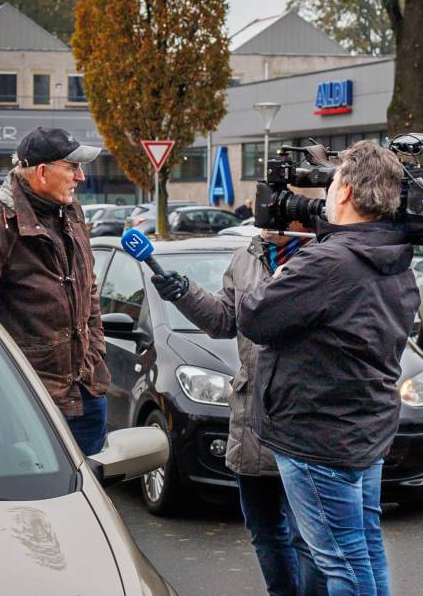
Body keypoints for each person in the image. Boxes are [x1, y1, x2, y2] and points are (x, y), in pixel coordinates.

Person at [237, 141, 419, 596]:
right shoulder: (395, 255)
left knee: (342, 562)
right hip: (364, 429)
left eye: (333, 183)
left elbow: (254, 318)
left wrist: (282, 277)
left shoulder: (328, 262)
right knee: (364, 548)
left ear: (347, 192)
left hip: (316, 436)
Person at [150, 223, 325, 596]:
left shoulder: (326, 258)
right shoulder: (247, 256)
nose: (265, 217)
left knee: (308, 538)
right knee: (264, 529)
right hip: (251, 419)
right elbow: (223, 320)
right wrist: (184, 293)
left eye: (275, 204)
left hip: (303, 420)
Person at [0, 127, 111, 455]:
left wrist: (95, 352)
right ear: (41, 172)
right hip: (27, 402)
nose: (80, 177)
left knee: (91, 483)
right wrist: (4, 394)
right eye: (72, 167)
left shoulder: (72, 213)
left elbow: (89, 290)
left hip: (87, 391)